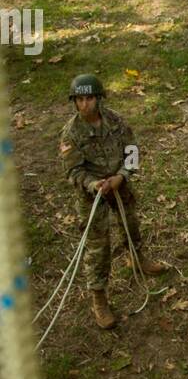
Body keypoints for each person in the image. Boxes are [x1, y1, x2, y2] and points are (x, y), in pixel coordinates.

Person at [59, 74, 168, 330]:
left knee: (131, 224)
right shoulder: (70, 134)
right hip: (92, 195)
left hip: (120, 185)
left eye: (89, 99)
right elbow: (72, 172)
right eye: (79, 100)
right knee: (98, 247)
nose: (84, 104)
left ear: (99, 99)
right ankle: (99, 298)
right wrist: (94, 184)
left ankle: (136, 258)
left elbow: (132, 152)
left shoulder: (116, 122)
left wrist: (121, 176)